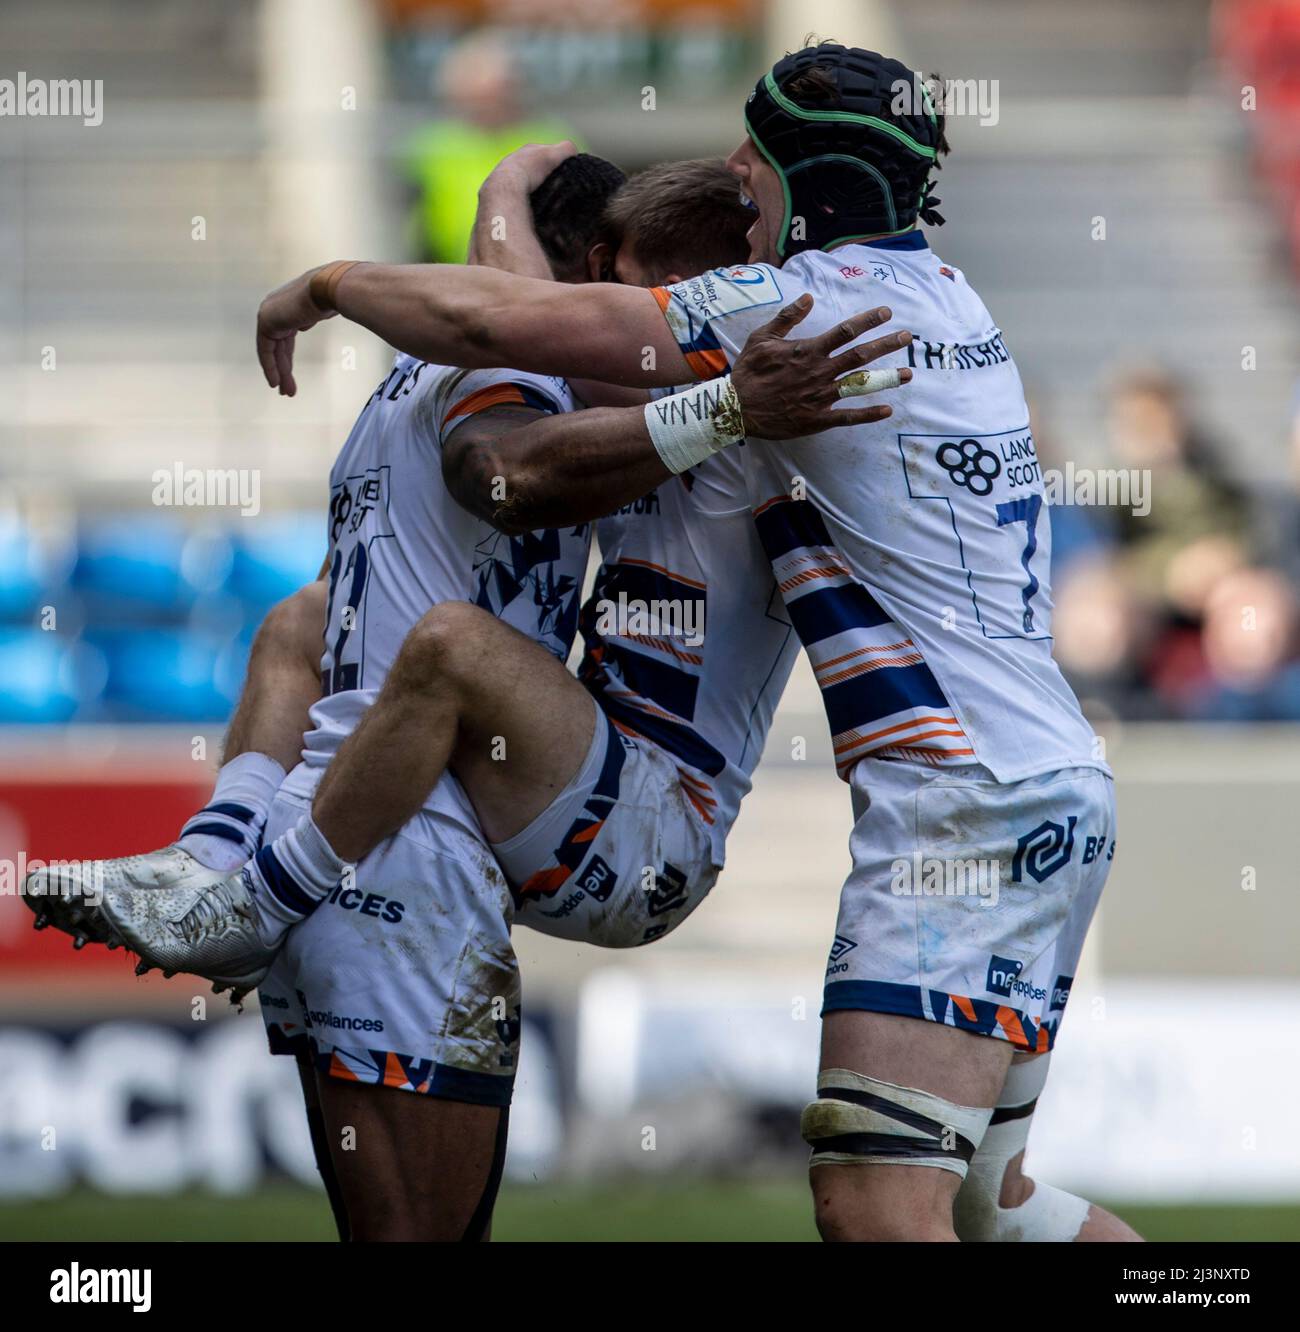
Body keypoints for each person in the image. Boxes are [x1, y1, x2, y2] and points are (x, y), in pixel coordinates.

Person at [231, 42, 1147, 1243]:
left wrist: (334, 281)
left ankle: (257, 891)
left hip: (942, 813)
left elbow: (502, 328)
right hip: (1048, 787)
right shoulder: (942, 300)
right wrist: (511, 204)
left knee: (879, 1212)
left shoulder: (778, 323)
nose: (735, 171)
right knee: (992, 1205)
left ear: (797, 186)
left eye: (753, 155)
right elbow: (538, 334)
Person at [29, 151, 905, 1240]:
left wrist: (379, 258)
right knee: (334, 627)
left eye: (635, 306)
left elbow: (506, 351)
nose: (614, 330)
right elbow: (503, 373)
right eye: (615, 300)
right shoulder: (601, 382)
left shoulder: (716, 399)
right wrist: (500, 191)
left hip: (606, 818)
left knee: (401, 637)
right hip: (496, 806)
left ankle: (253, 887)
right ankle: (229, 869)